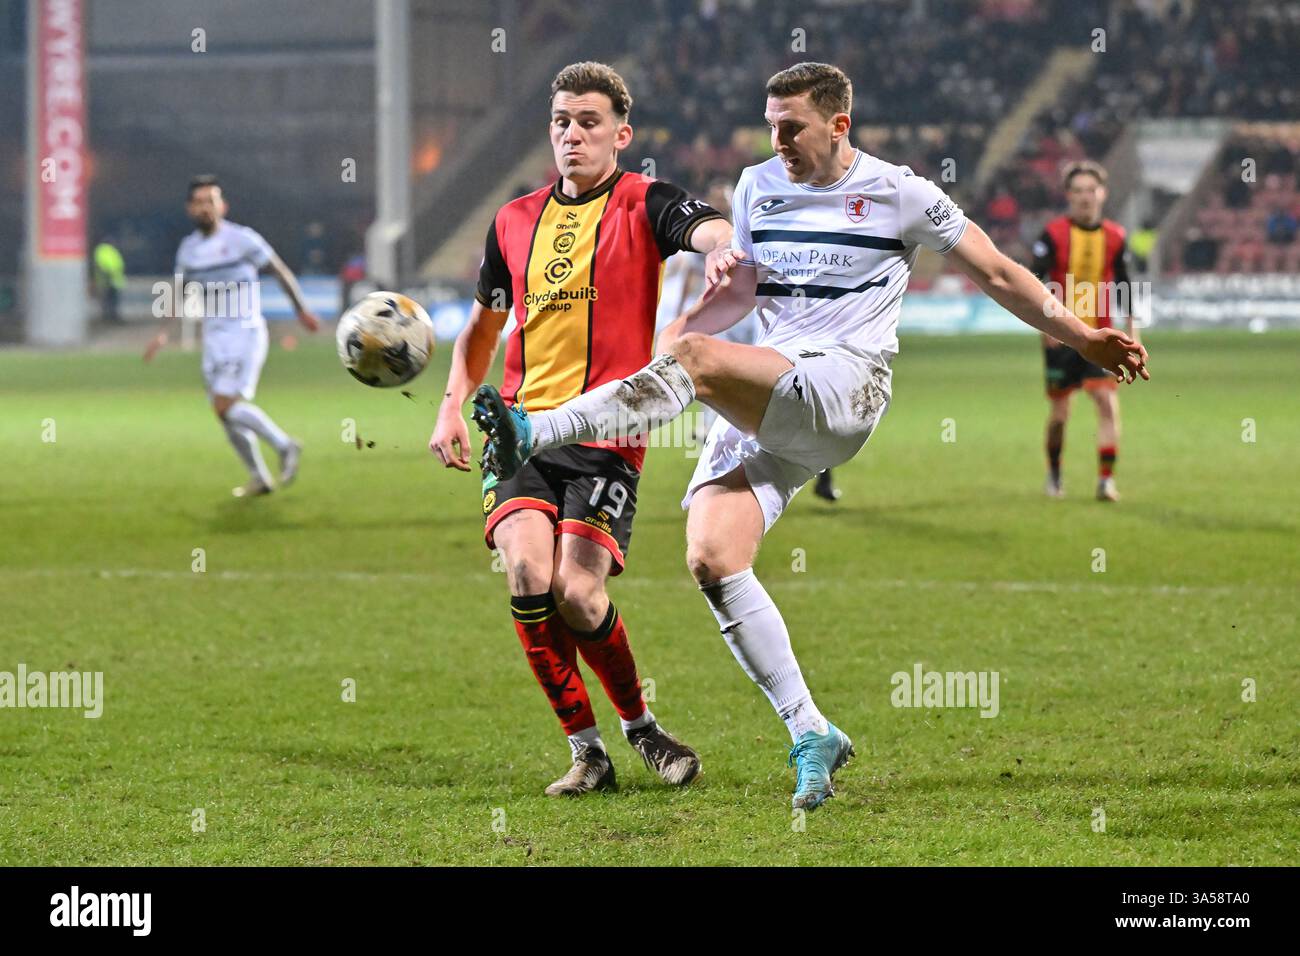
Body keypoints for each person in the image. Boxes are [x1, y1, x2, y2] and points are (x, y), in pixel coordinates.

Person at [472, 62, 1148, 810]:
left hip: (844, 385)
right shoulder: (760, 185)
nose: (777, 140)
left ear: (838, 124)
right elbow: (740, 290)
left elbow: (998, 273)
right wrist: (685, 327)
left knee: (689, 367)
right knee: (710, 556)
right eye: (770, 125)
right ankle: (811, 732)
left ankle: (535, 430)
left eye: (791, 126)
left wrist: (1082, 336)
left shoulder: (900, 192)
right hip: (769, 393)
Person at [429, 62, 731, 796]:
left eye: (589, 122)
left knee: (580, 596)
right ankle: (587, 751)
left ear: (621, 135)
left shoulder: (643, 202)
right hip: (519, 431)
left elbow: (705, 224)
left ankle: (641, 730)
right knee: (530, 573)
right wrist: (450, 404)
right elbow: (482, 326)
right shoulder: (512, 220)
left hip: (607, 437)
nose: (573, 134)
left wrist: (720, 245)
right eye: (562, 121)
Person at [144, 175, 320, 497]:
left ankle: (285, 445)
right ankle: (260, 478)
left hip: (244, 332)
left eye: (210, 201)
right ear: (189, 209)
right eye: (198, 202)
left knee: (226, 405)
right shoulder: (189, 249)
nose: (204, 208)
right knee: (222, 413)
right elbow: (178, 292)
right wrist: (162, 334)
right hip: (214, 338)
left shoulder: (242, 239)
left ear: (222, 206)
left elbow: (279, 269)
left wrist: (301, 309)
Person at [1031, 161, 1140, 501]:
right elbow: (1034, 282)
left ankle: (1106, 481)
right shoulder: (1052, 235)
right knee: (1061, 415)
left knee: (1107, 403)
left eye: (1090, 190)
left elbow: (1125, 284)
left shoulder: (1116, 236)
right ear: (1068, 195)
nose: (1084, 197)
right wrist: (1044, 327)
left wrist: (1132, 330)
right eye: (1077, 191)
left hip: (1103, 336)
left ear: (1102, 194)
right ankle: (1054, 474)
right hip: (1061, 336)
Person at [92, 236, 126, 325]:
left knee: (110, 301)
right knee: (109, 301)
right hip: (109, 281)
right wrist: (108, 277)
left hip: (113, 281)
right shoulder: (104, 251)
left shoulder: (105, 251)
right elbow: (105, 266)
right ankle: (109, 318)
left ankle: (110, 317)